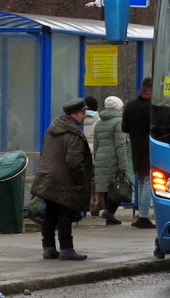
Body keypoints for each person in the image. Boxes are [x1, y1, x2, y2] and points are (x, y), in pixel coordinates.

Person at [30, 97, 94, 261]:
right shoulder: (73, 134)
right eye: (82, 113)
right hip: (65, 180)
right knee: (66, 213)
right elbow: (74, 161)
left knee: (50, 214)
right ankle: (66, 249)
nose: (84, 116)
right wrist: (80, 182)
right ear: (74, 114)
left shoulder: (53, 129)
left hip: (48, 178)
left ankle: (49, 248)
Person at [92, 96, 133, 225]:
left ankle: (109, 214)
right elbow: (121, 145)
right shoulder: (118, 122)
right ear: (119, 108)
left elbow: (96, 143)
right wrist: (123, 165)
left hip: (100, 158)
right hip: (113, 159)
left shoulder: (99, 122)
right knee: (118, 186)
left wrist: (96, 159)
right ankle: (109, 212)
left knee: (108, 187)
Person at [122, 77, 156, 229]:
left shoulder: (131, 105)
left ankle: (142, 214)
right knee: (149, 181)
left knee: (142, 181)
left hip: (136, 148)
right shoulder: (155, 107)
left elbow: (124, 128)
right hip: (151, 147)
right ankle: (143, 215)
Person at [82, 95, 101, 214]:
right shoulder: (99, 122)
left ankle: (83, 207)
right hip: (95, 155)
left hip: (82, 155)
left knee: (84, 182)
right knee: (95, 183)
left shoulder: (79, 120)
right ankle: (95, 208)